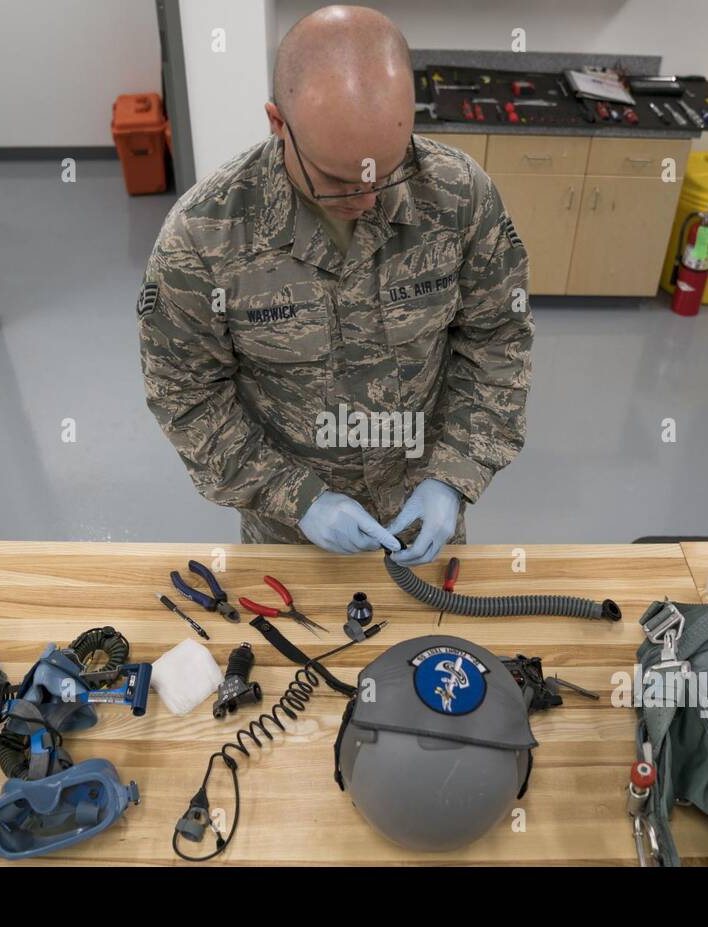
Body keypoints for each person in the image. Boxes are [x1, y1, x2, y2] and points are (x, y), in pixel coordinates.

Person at [138, 5, 531, 566]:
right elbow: (187, 397)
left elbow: (498, 341)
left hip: (427, 514)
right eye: (339, 181)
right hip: (292, 535)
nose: (369, 201)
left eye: (388, 171)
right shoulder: (203, 239)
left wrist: (453, 476)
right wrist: (300, 500)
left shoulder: (460, 196)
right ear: (278, 124)